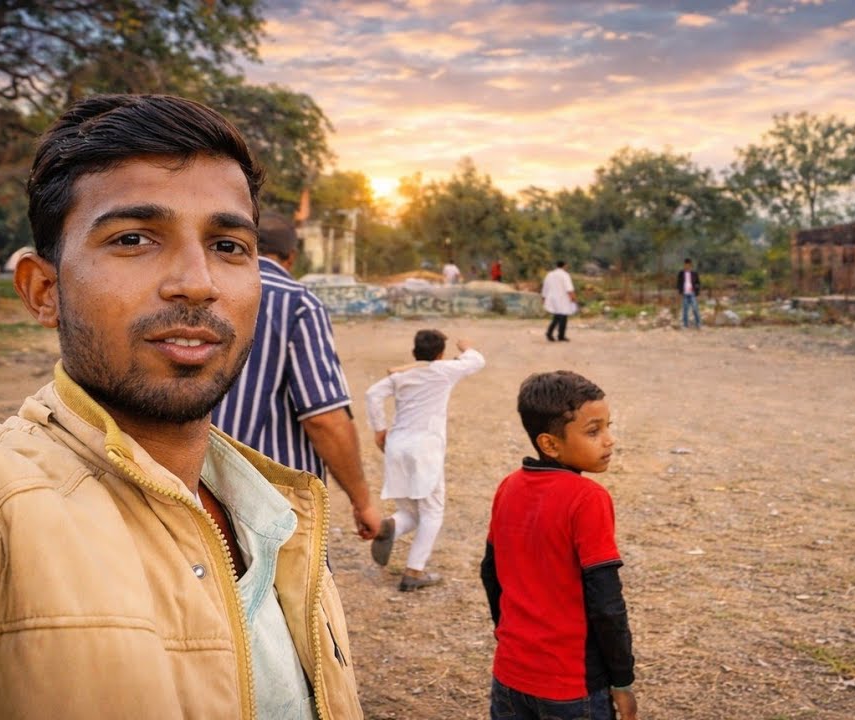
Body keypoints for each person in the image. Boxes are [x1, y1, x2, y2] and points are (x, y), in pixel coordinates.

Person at [0, 94, 363, 719]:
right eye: (133, 238)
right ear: (45, 291)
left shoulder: (281, 514)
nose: (198, 282)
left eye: (228, 245)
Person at [212, 213, 381, 540]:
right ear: (291, 257)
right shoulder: (298, 303)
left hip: (194, 490)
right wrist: (362, 501)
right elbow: (325, 419)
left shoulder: (203, 290)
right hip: (271, 503)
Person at [481, 370, 637, 720]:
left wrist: (509, 637)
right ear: (549, 443)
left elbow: (490, 574)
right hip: (571, 689)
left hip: (509, 676)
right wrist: (622, 681)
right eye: (594, 431)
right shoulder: (587, 498)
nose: (609, 440)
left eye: (608, 426)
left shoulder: (509, 486)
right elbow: (606, 602)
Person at [365, 330, 485, 591]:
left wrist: (379, 428)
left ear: (414, 352)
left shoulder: (401, 375)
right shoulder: (444, 372)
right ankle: (414, 572)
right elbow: (477, 361)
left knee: (411, 511)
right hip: (424, 449)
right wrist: (465, 347)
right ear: (440, 354)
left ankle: (391, 527)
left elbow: (372, 394)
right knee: (432, 511)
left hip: (396, 446)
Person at [541, 259, 577, 342]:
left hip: (553, 298)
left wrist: (543, 298)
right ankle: (560, 335)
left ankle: (550, 333)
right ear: (564, 265)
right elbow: (569, 288)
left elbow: (545, 287)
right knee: (563, 317)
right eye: (567, 265)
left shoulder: (550, 274)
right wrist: (573, 297)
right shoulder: (565, 275)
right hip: (563, 298)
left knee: (557, 317)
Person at [676, 257, 702, 329]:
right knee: (685, 309)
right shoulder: (681, 273)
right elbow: (678, 283)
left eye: (688, 264)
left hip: (692, 293)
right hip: (685, 293)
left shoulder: (694, 273)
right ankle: (685, 325)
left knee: (695, 308)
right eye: (685, 264)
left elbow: (698, 283)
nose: (687, 266)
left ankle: (698, 323)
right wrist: (679, 292)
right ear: (684, 265)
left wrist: (697, 292)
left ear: (691, 265)